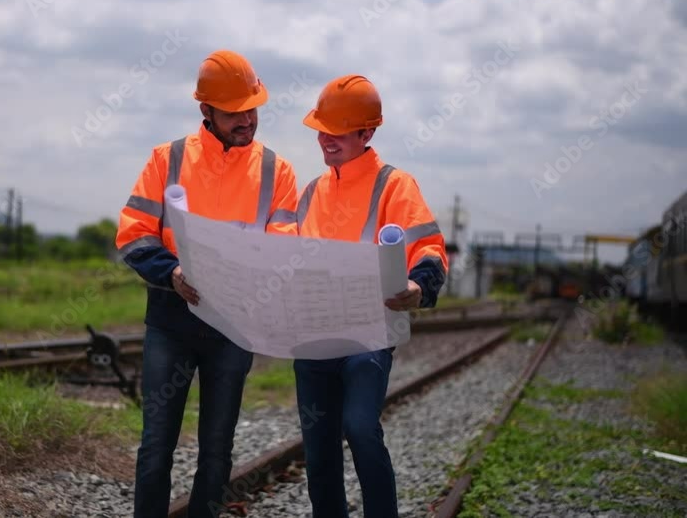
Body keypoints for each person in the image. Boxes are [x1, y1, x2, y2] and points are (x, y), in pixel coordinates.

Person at [114, 49, 299, 517]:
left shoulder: (278, 172)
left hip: (235, 325)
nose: (247, 120)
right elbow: (134, 234)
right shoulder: (167, 159)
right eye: (235, 112)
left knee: (217, 451)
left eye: (252, 108)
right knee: (156, 447)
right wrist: (172, 273)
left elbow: (284, 246)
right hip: (171, 320)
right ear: (206, 111)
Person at [292, 74, 448, 517]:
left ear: (368, 132)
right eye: (322, 129)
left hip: (368, 336)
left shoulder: (394, 186)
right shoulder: (310, 194)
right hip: (314, 339)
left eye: (338, 131)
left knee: (360, 428)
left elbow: (430, 249)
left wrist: (419, 286)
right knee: (319, 455)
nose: (325, 139)